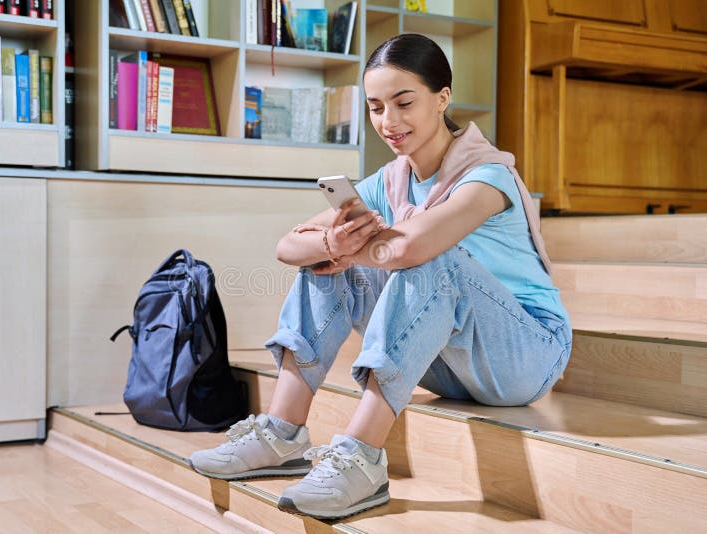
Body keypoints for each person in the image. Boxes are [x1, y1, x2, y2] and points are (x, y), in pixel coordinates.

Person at [189, 34, 572, 520]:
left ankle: (360, 458)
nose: (388, 123)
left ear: (442, 97)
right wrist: (332, 246)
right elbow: (287, 246)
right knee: (325, 263)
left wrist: (352, 248)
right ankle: (280, 435)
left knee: (430, 259)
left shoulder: (487, 176)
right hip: (449, 361)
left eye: (403, 102)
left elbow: (413, 248)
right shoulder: (390, 181)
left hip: (525, 354)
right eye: (375, 107)